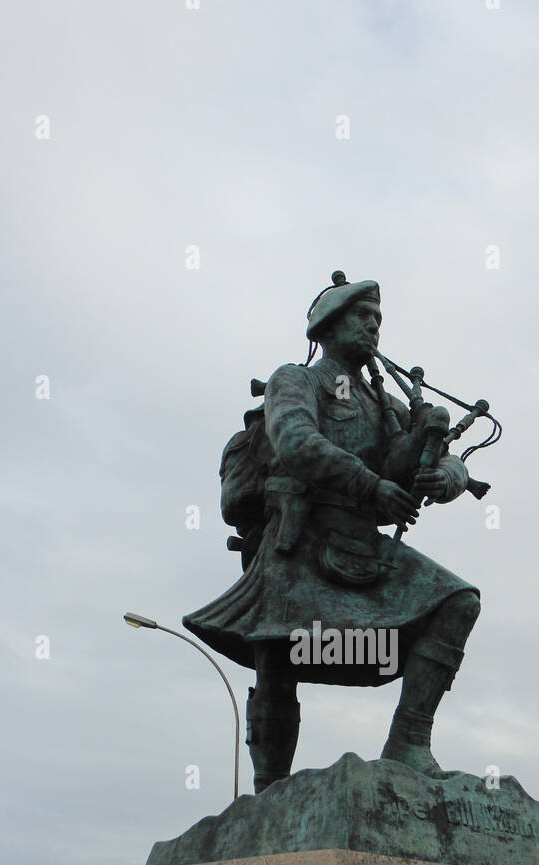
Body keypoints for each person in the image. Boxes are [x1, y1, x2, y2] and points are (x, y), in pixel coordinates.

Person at [184, 271, 481, 792]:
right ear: (329, 325)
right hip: (299, 541)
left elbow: (429, 466)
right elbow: (296, 442)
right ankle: (269, 790)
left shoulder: (382, 404)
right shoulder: (296, 381)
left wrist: (440, 466)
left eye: (378, 320)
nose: (373, 327)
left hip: (361, 544)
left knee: (458, 601)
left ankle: (409, 740)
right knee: (277, 656)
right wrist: (372, 486)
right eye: (363, 317)